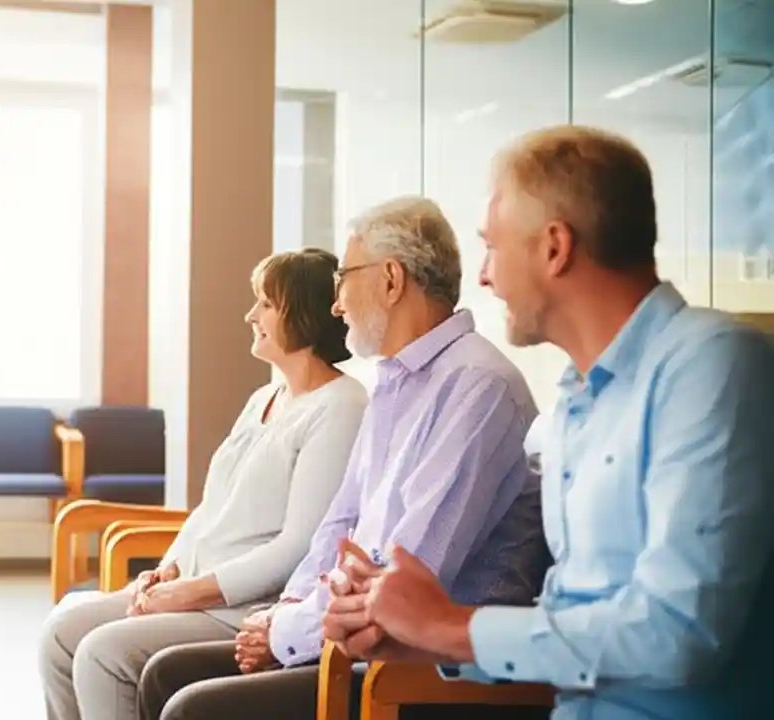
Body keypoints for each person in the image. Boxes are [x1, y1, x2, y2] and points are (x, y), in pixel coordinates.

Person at [324, 126, 774, 719]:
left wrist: (453, 625)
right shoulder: (572, 404)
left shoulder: (714, 364)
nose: (483, 277)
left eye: (492, 246)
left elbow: (679, 633)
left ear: (555, 247)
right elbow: (572, 624)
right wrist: (422, 639)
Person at [138, 196, 548, 720]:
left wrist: (284, 631)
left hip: (424, 673)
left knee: (192, 709)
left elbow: (409, 575)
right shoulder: (393, 384)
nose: (336, 306)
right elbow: (340, 523)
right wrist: (286, 611)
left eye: (343, 280)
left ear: (391, 280)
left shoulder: (478, 387)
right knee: (163, 675)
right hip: (351, 640)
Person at [39, 248, 370, 720]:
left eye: (265, 304)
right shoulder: (264, 397)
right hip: (194, 588)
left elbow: (299, 545)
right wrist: (166, 571)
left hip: (241, 607)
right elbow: (211, 508)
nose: (250, 315)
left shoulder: (341, 406)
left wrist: (188, 594)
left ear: (302, 313)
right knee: (60, 634)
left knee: (101, 655)